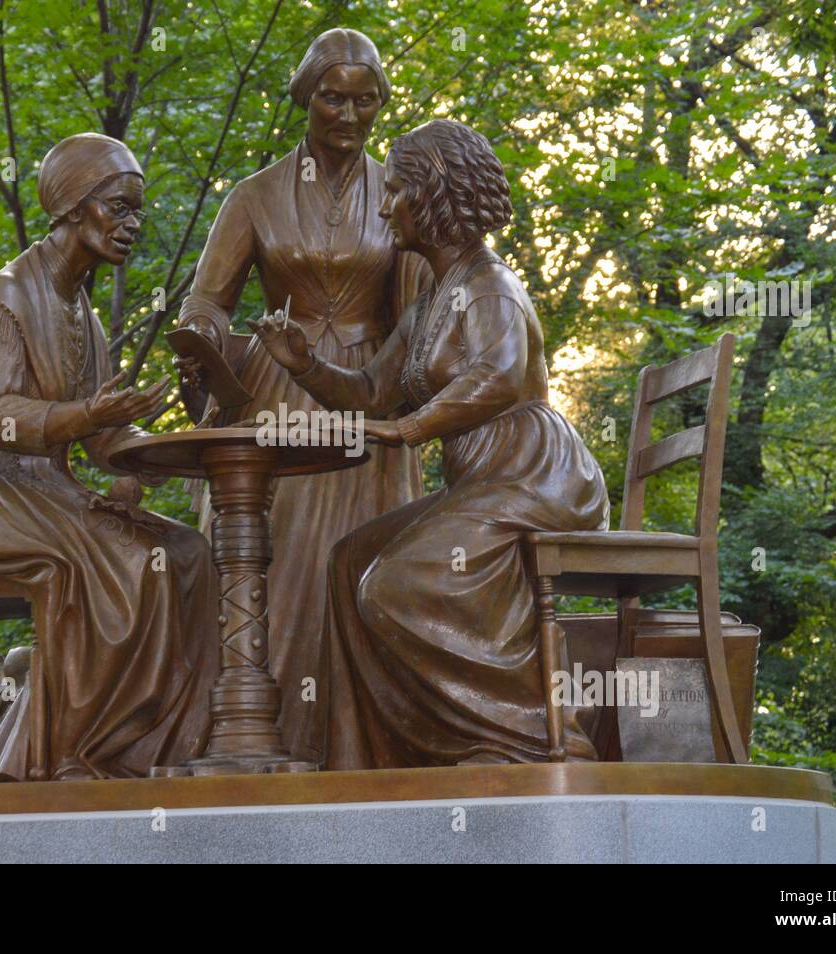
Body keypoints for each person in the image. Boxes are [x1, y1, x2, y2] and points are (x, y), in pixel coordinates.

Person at [253, 120, 611, 767]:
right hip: (483, 485)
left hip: (534, 479)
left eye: (395, 192)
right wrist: (302, 363)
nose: (386, 206)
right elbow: (369, 391)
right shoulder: (427, 304)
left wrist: (413, 429)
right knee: (347, 562)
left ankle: (528, 736)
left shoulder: (489, 286)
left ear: (432, 197)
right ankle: (370, 760)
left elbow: (499, 376)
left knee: (393, 585)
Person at [0, 133, 216, 781]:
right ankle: (67, 755)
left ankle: (151, 750)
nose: (133, 225)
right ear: (74, 206)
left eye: (138, 211)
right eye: (119, 208)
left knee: (185, 553)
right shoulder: (6, 294)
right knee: (120, 561)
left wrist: (184, 450)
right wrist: (84, 418)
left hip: (39, 495)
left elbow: (101, 447)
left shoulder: (86, 314)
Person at [173, 29, 429, 764]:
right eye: (333, 97)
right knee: (272, 564)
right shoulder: (253, 196)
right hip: (274, 392)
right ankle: (257, 737)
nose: (349, 115)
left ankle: (358, 749)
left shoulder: (399, 195)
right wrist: (201, 342)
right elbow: (208, 301)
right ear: (304, 97)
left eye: (366, 100)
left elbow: (419, 307)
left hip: (365, 397)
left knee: (359, 567)